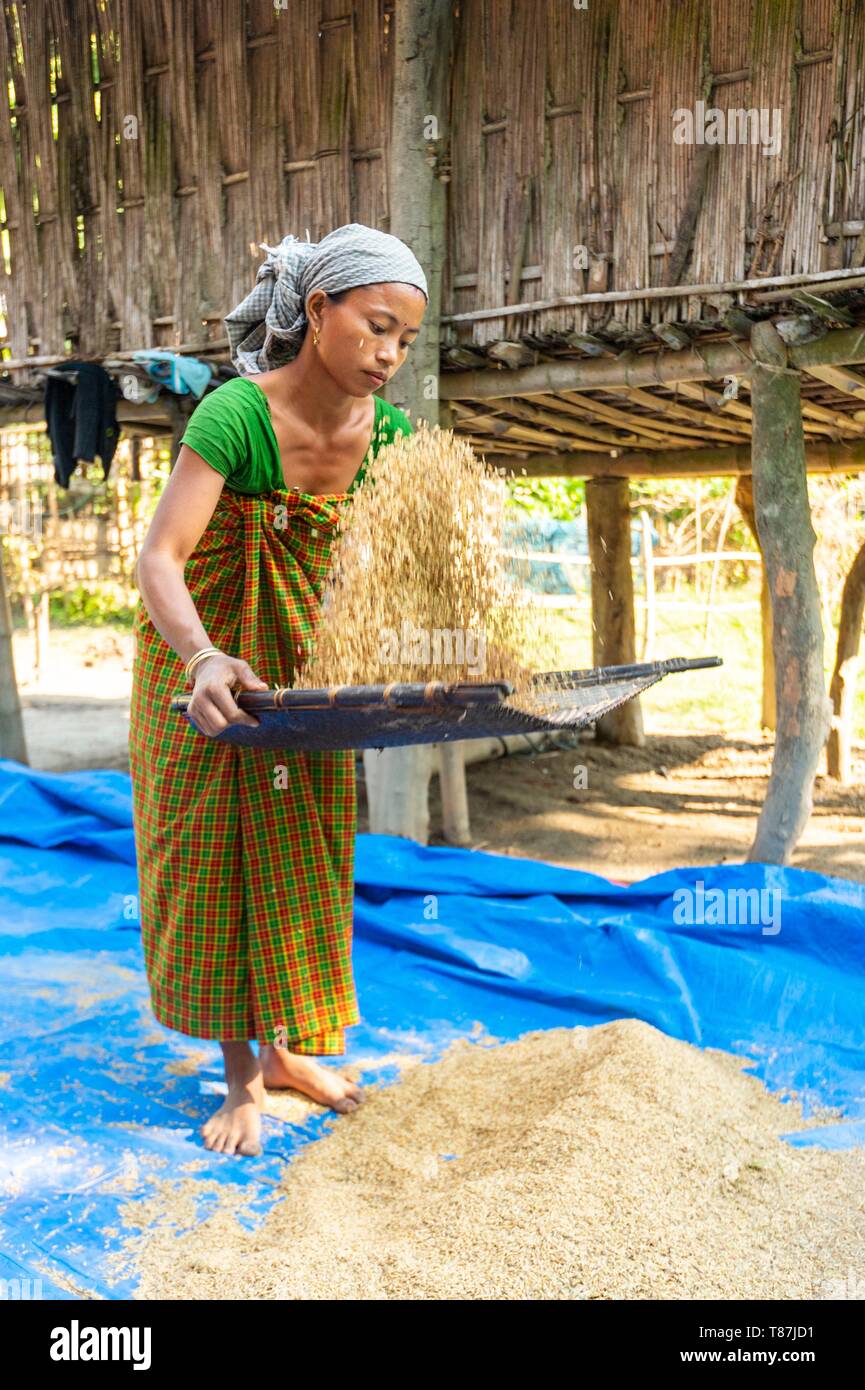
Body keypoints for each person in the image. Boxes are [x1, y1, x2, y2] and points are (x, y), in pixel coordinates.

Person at [129, 223, 428, 1157]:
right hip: (204, 668)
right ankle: (240, 1077)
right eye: (376, 327)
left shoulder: (392, 437)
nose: (388, 355)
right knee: (218, 853)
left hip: (303, 670)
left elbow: (386, 569)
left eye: (405, 341)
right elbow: (161, 557)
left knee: (300, 844)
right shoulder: (234, 416)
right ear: (315, 311)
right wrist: (204, 657)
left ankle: (292, 1051)